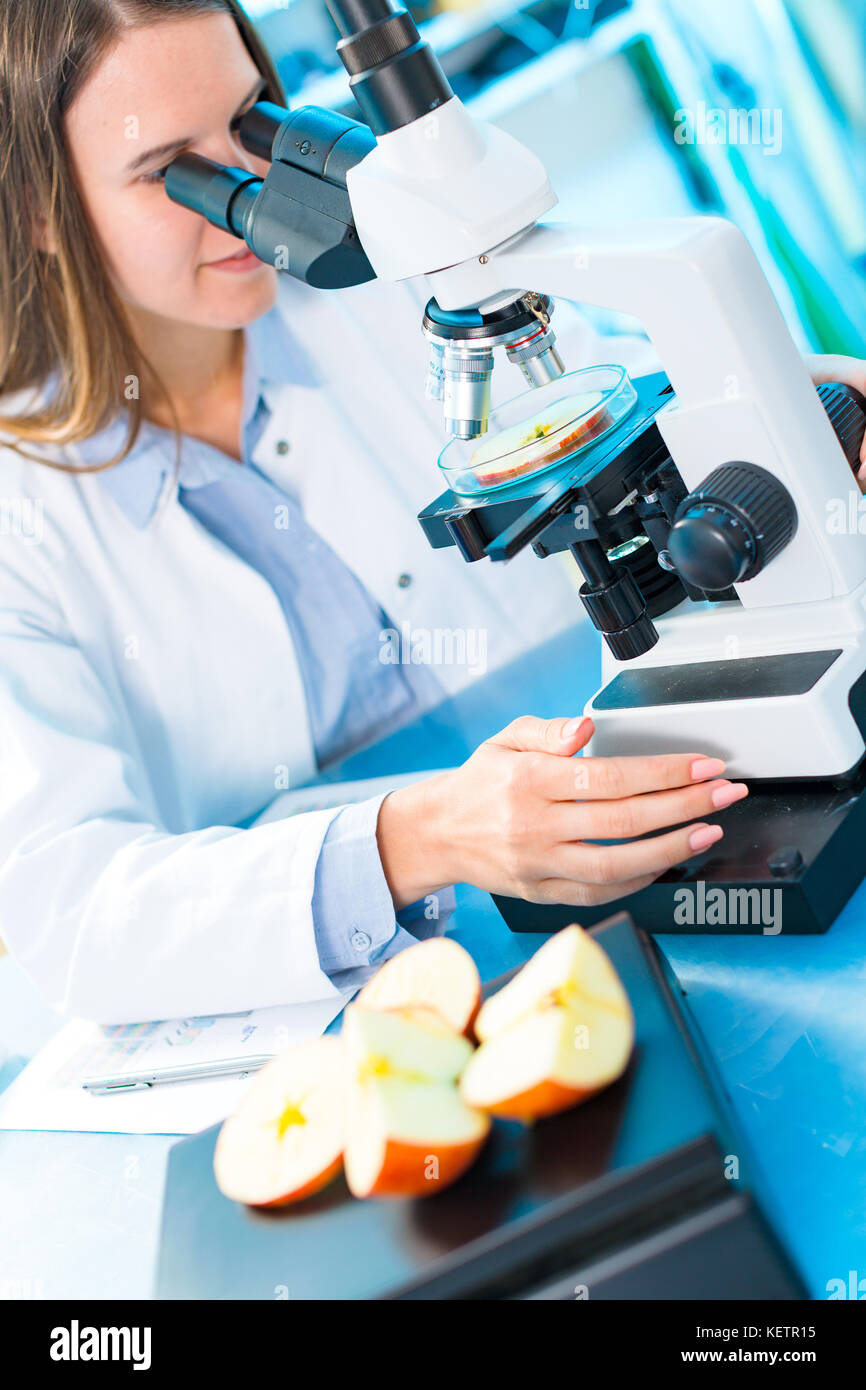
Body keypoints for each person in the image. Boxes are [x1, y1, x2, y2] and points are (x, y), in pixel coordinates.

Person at [0, 0, 861, 1023]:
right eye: (168, 171)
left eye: (252, 127)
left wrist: (811, 446)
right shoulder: (23, 512)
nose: (251, 193)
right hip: (331, 1013)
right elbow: (60, 911)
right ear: (41, 208)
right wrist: (415, 838)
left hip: (618, 873)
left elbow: (632, 414)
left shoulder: (386, 290)